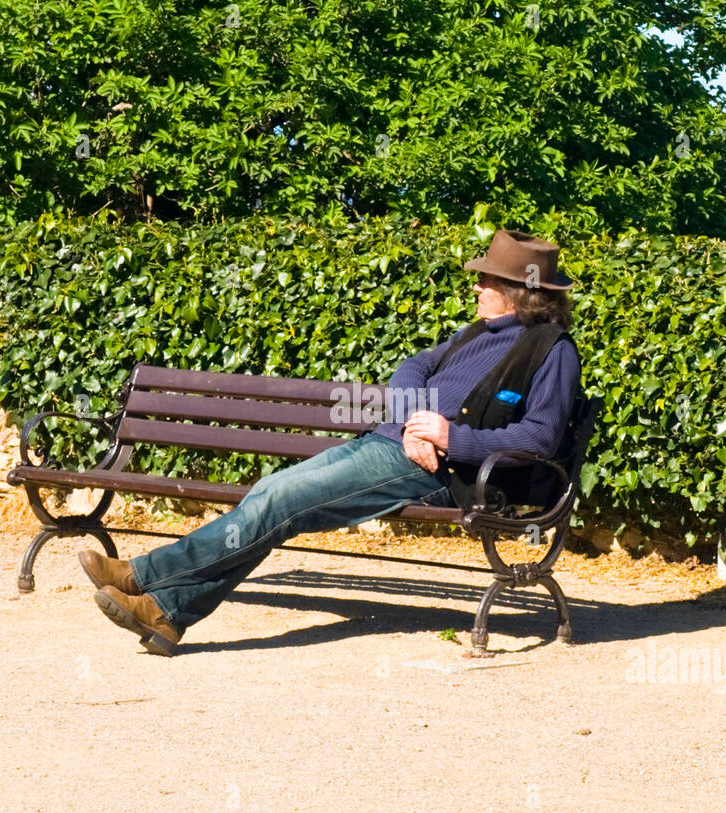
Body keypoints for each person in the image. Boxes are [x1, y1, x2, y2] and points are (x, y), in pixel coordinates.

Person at [79, 228, 583, 655]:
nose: (476, 285)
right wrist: (414, 424)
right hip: (393, 446)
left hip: (440, 473)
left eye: (487, 279)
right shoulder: (476, 332)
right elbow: (414, 367)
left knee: (279, 499)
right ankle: (167, 615)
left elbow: (540, 437)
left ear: (521, 291)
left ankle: (143, 576)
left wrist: (454, 437)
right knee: (270, 494)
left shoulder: (553, 351)